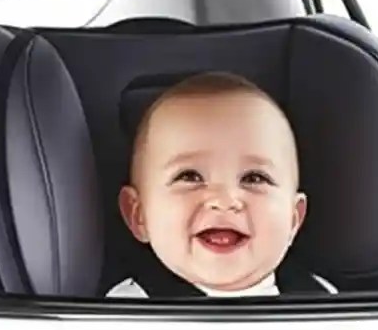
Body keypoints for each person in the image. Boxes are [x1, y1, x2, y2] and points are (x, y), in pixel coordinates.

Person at [107, 71, 335, 298]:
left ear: (293, 219)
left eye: (254, 178)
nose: (224, 200)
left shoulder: (324, 301)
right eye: (190, 176)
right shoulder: (126, 313)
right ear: (138, 215)